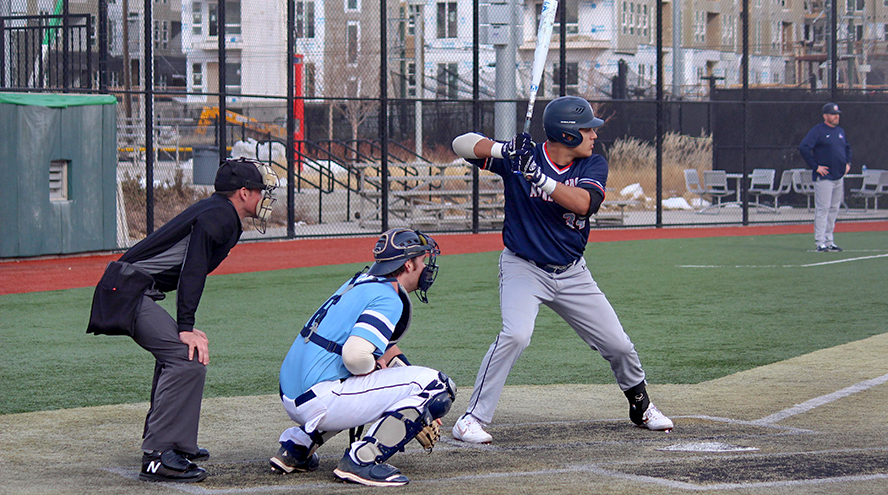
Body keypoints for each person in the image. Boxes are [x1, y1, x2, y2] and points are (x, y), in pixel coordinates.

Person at [449, 95, 673, 444]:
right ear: (567, 134)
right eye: (587, 129)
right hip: (524, 267)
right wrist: (504, 151)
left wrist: (540, 178)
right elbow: (460, 144)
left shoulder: (592, 164)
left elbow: (584, 204)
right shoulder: (522, 157)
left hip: (572, 273)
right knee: (516, 335)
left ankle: (641, 405)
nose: (594, 135)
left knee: (618, 344)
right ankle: (471, 419)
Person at [87, 158, 278, 482]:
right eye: (260, 190)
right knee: (185, 357)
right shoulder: (220, 214)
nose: (264, 197)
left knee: (181, 356)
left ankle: (175, 443)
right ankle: (157, 455)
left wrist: (185, 327)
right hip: (126, 290)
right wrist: (185, 328)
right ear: (244, 193)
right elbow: (193, 270)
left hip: (129, 287)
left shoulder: (219, 211)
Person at [270, 228, 456, 487]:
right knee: (439, 386)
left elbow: (385, 351)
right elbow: (356, 357)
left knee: (384, 380)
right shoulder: (389, 298)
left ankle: (297, 447)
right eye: (422, 260)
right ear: (408, 264)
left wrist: (416, 405)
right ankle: (362, 460)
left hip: (294, 393)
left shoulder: (361, 281)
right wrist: (422, 399)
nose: (425, 267)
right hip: (321, 398)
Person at [799, 102, 851, 252]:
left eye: (837, 114)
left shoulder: (840, 131)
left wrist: (848, 163)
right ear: (825, 116)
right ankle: (820, 242)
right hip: (824, 178)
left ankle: (829, 241)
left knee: (834, 209)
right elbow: (804, 147)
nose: (836, 117)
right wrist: (816, 167)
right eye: (833, 114)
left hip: (838, 177)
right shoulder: (818, 130)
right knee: (823, 209)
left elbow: (847, 148)